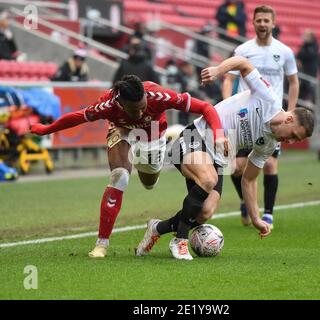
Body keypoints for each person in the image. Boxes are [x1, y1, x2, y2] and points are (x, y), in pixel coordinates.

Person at [135, 56, 314, 260]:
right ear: (289, 119)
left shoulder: (270, 144)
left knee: (205, 213)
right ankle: (180, 240)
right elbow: (244, 64)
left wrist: (255, 217)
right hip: (195, 136)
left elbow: (249, 179)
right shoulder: (269, 98)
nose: (289, 141)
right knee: (208, 179)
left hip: (217, 159)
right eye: (293, 135)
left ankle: (157, 228)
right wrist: (218, 70)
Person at [30, 75, 224, 258]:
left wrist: (218, 134)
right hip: (122, 132)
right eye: (134, 110)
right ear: (121, 104)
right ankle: (101, 244)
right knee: (120, 176)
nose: (140, 113)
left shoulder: (159, 96)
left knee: (149, 183)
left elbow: (206, 107)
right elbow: (77, 117)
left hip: (152, 138)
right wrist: (48, 129)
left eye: (142, 107)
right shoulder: (107, 105)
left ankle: (147, 158)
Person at [221, 5, 299, 228]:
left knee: (270, 165)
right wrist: (228, 103)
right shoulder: (243, 50)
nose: (263, 24)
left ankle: (268, 215)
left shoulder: (284, 52)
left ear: (273, 23)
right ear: (253, 23)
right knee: (236, 166)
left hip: (272, 118)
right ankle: (246, 202)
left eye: (267, 21)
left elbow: (294, 83)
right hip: (245, 116)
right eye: (259, 21)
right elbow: (228, 79)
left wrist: (290, 112)